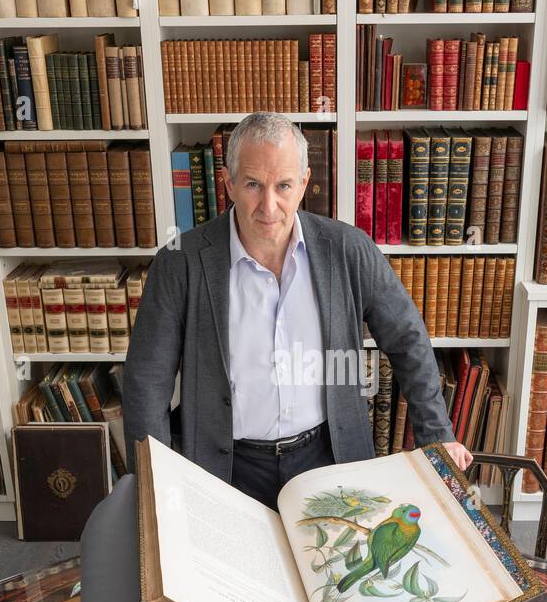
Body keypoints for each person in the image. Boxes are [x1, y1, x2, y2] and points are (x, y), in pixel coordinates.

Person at [122, 111, 472, 510]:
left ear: (304, 184)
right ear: (229, 183)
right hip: (225, 466)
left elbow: (407, 338)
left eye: (284, 185)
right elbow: (146, 384)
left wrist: (437, 436)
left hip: (329, 457)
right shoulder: (179, 262)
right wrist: (156, 482)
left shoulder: (348, 249)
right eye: (253, 184)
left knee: (338, 570)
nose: (269, 207)